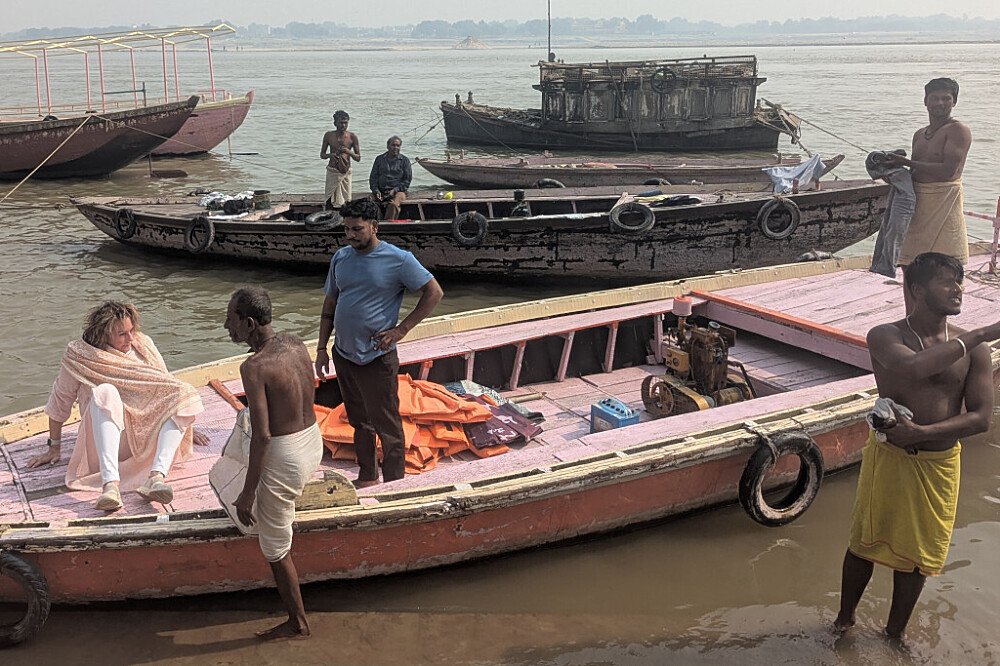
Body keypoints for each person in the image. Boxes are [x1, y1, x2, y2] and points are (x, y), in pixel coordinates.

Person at [834, 252, 1000, 640]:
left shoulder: (974, 350)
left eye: (960, 282)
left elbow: (980, 418)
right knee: (864, 542)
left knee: (919, 557)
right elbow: (911, 368)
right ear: (917, 290)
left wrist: (923, 434)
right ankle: (844, 620)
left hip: (940, 463)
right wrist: (981, 333)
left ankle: (894, 635)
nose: (957, 289)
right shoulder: (885, 335)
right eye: (946, 282)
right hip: (890, 457)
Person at [27, 301, 206, 511]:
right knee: (105, 392)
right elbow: (60, 402)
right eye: (122, 334)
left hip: (146, 441)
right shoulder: (80, 356)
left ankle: (156, 478)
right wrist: (54, 446)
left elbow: (166, 386)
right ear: (104, 334)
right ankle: (110, 486)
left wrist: (183, 424)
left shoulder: (143, 345)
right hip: (106, 445)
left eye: (131, 331)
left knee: (183, 391)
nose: (130, 338)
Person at [314, 198, 443, 487]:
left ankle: (395, 481)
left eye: (357, 229)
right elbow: (331, 302)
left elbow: (433, 292)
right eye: (346, 229)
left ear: (374, 226)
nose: (350, 235)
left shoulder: (399, 259)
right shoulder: (341, 258)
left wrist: (402, 330)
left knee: (387, 424)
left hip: (377, 356)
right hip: (344, 354)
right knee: (359, 420)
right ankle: (368, 474)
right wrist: (322, 349)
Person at [223, 286, 324, 642]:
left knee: (275, 548)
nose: (225, 326)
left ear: (249, 323)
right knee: (243, 427)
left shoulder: (253, 366)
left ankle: (298, 623)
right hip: (313, 440)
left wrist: (247, 495)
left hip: (286, 456)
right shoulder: (295, 342)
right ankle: (281, 507)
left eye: (231, 320)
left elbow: (264, 437)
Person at [885, 78, 972, 279]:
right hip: (917, 204)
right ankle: (911, 311)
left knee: (944, 265)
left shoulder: (958, 130)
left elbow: (949, 171)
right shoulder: (919, 134)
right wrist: (893, 173)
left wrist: (907, 163)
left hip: (944, 203)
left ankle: (941, 310)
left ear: (954, 102)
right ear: (925, 101)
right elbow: (916, 174)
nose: (939, 103)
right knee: (910, 264)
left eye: (946, 98)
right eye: (934, 98)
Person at [320, 110, 360, 208]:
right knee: (329, 200)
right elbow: (322, 154)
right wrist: (331, 155)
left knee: (346, 201)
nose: (343, 125)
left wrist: (348, 151)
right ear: (335, 123)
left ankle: (344, 220)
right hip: (332, 171)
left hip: (345, 172)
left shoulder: (352, 136)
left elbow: (358, 158)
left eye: (345, 123)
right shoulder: (328, 135)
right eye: (341, 123)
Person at [368, 135, 411, 220]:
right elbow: (373, 178)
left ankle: (387, 224)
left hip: (399, 191)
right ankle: (377, 222)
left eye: (398, 146)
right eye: (393, 145)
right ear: (388, 146)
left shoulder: (405, 161)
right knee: (369, 203)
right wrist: (376, 190)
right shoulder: (379, 159)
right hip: (381, 191)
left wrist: (395, 190)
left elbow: (407, 180)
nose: (395, 148)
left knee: (394, 205)